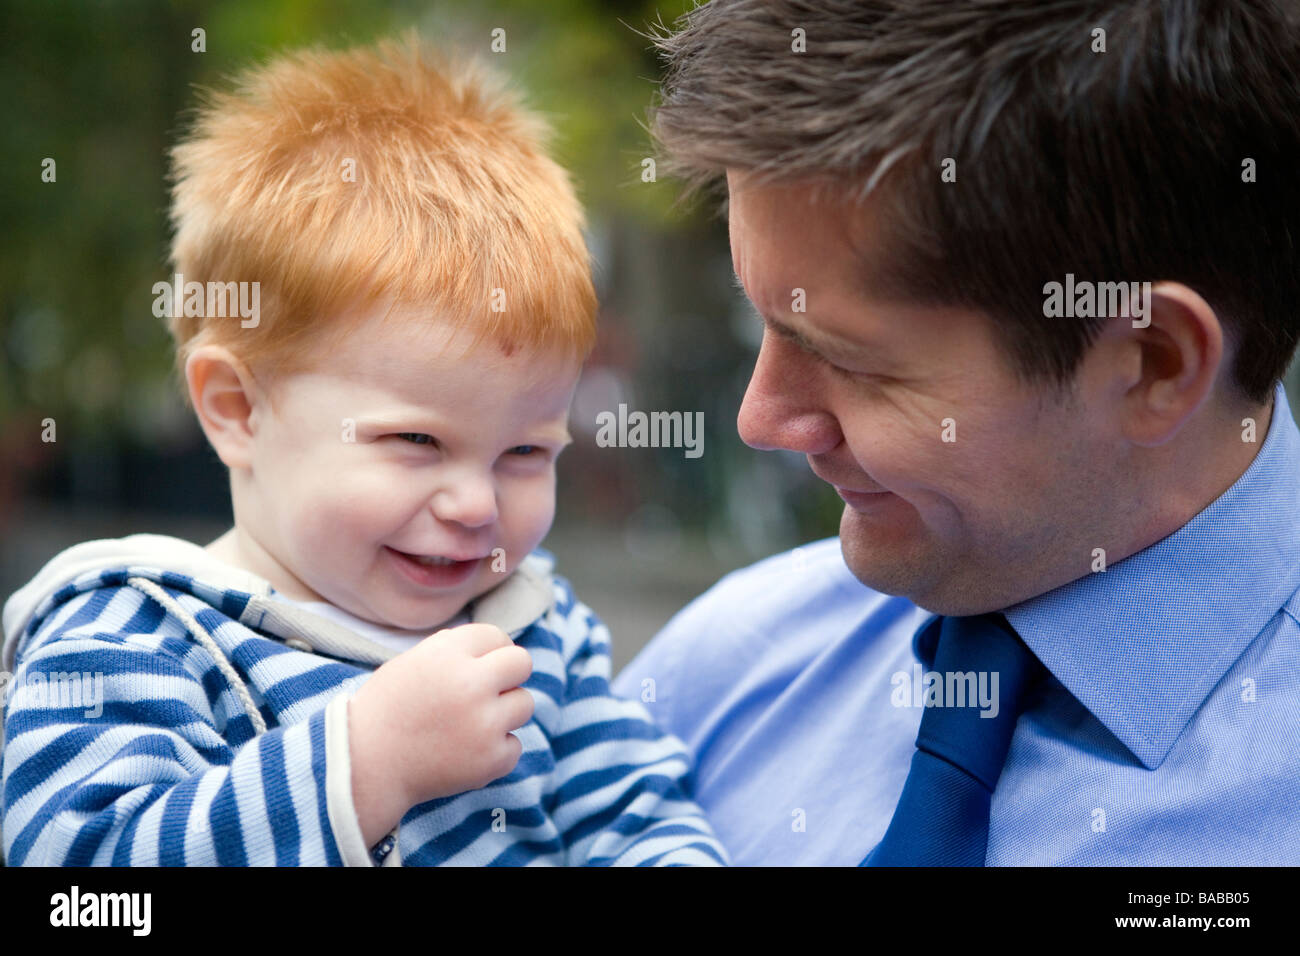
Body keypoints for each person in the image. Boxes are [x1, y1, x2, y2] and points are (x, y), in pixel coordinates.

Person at [0, 35, 727, 867]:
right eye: (417, 441)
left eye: (526, 451)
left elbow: (639, 820)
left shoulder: (537, 635)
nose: (478, 506)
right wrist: (364, 762)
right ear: (237, 409)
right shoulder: (132, 638)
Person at [613, 0, 1300, 864]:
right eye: (766, 326)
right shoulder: (724, 673)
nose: (762, 420)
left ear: (1152, 364)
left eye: (854, 362)